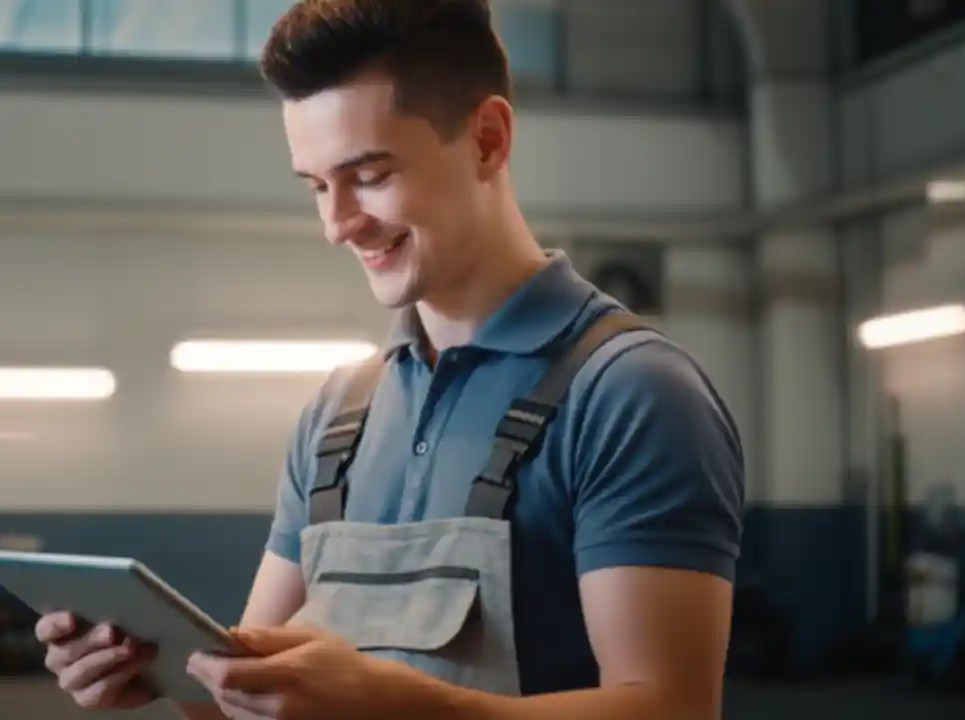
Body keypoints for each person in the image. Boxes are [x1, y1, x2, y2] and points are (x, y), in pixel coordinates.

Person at [36, 1, 745, 718]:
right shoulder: (339, 414)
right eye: (317, 186)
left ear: (488, 140)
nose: (337, 224)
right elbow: (256, 693)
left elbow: (671, 709)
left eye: (369, 175)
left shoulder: (631, 394)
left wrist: (395, 707)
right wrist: (159, 671)